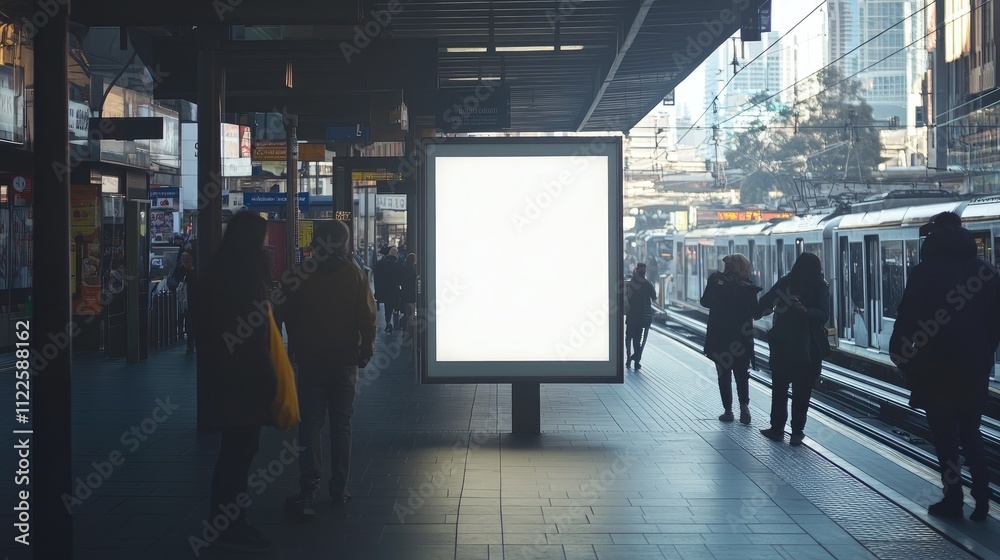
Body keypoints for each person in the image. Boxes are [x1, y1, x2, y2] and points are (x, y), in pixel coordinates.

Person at [890, 212, 1000, 521]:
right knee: (971, 431)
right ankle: (982, 497)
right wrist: (983, 352)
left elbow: (907, 317)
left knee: (946, 437)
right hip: (973, 367)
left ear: (933, 239)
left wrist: (900, 353)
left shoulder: (924, 272)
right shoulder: (986, 271)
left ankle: (953, 498)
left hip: (933, 366)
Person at [282, 220, 377, 515]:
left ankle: (308, 486)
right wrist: (365, 349)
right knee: (342, 424)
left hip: (311, 361)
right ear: (345, 243)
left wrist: (294, 345)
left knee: (310, 425)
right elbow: (368, 319)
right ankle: (339, 486)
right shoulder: (355, 275)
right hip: (344, 361)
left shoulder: (300, 274)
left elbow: (286, 315)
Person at [195, 211, 275, 552]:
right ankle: (229, 521)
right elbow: (254, 336)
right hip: (245, 379)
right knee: (239, 452)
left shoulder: (216, 272)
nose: (267, 245)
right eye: (263, 239)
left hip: (225, 376)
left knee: (234, 451)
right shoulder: (245, 279)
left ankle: (228, 518)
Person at [757, 252, 830, 446]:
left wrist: (801, 309)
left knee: (779, 389)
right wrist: (806, 311)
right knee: (802, 391)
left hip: (784, 344)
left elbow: (764, 306)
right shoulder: (820, 286)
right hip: (808, 348)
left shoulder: (786, 282)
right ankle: (797, 432)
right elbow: (824, 315)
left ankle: (777, 429)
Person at [700, 254, 761, 424]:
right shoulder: (748, 286)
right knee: (742, 373)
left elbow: (705, 302)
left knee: (723, 373)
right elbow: (756, 313)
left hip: (720, 336)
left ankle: (728, 411)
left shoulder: (716, 281)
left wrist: (714, 285)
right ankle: (744, 407)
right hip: (742, 337)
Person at [625, 262, 656, 370]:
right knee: (639, 339)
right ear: (645, 271)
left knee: (629, 337)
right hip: (645, 316)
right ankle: (637, 360)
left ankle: (629, 358)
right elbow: (654, 298)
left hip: (632, 315)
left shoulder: (630, 284)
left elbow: (625, 297)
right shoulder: (648, 284)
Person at [171, 252, 197, 352]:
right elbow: (175, 279)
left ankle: (190, 342)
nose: (187, 261)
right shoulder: (181, 270)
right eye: (185, 259)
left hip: (191, 299)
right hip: (185, 300)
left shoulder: (194, 271)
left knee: (191, 321)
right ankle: (189, 343)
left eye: (188, 258)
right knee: (188, 320)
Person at [373, 247, 402, 333]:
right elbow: (401, 279)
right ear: (396, 255)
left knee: (388, 307)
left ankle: (388, 322)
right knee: (396, 306)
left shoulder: (380, 264)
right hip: (395, 290)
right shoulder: (398, 265)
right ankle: (396, 324)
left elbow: (376, 279)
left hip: (384, 290)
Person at [400, 253, 417, 337]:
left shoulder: (403, 268)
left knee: (408, 314)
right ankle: (411, 331)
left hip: (405, 295)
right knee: (412, 314)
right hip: (411, 295)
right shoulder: (412, 270)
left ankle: (406, 330)